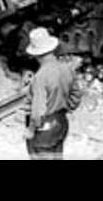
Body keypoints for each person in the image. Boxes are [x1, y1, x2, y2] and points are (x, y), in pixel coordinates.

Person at [22, 27, 83, 160]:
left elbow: (38, 111)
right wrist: (65, 108)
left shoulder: (40, 77)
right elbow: (76, 95)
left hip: (44, 129)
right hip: (61, 123)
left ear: (35, 54)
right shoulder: (67, 69)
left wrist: (30, 130)